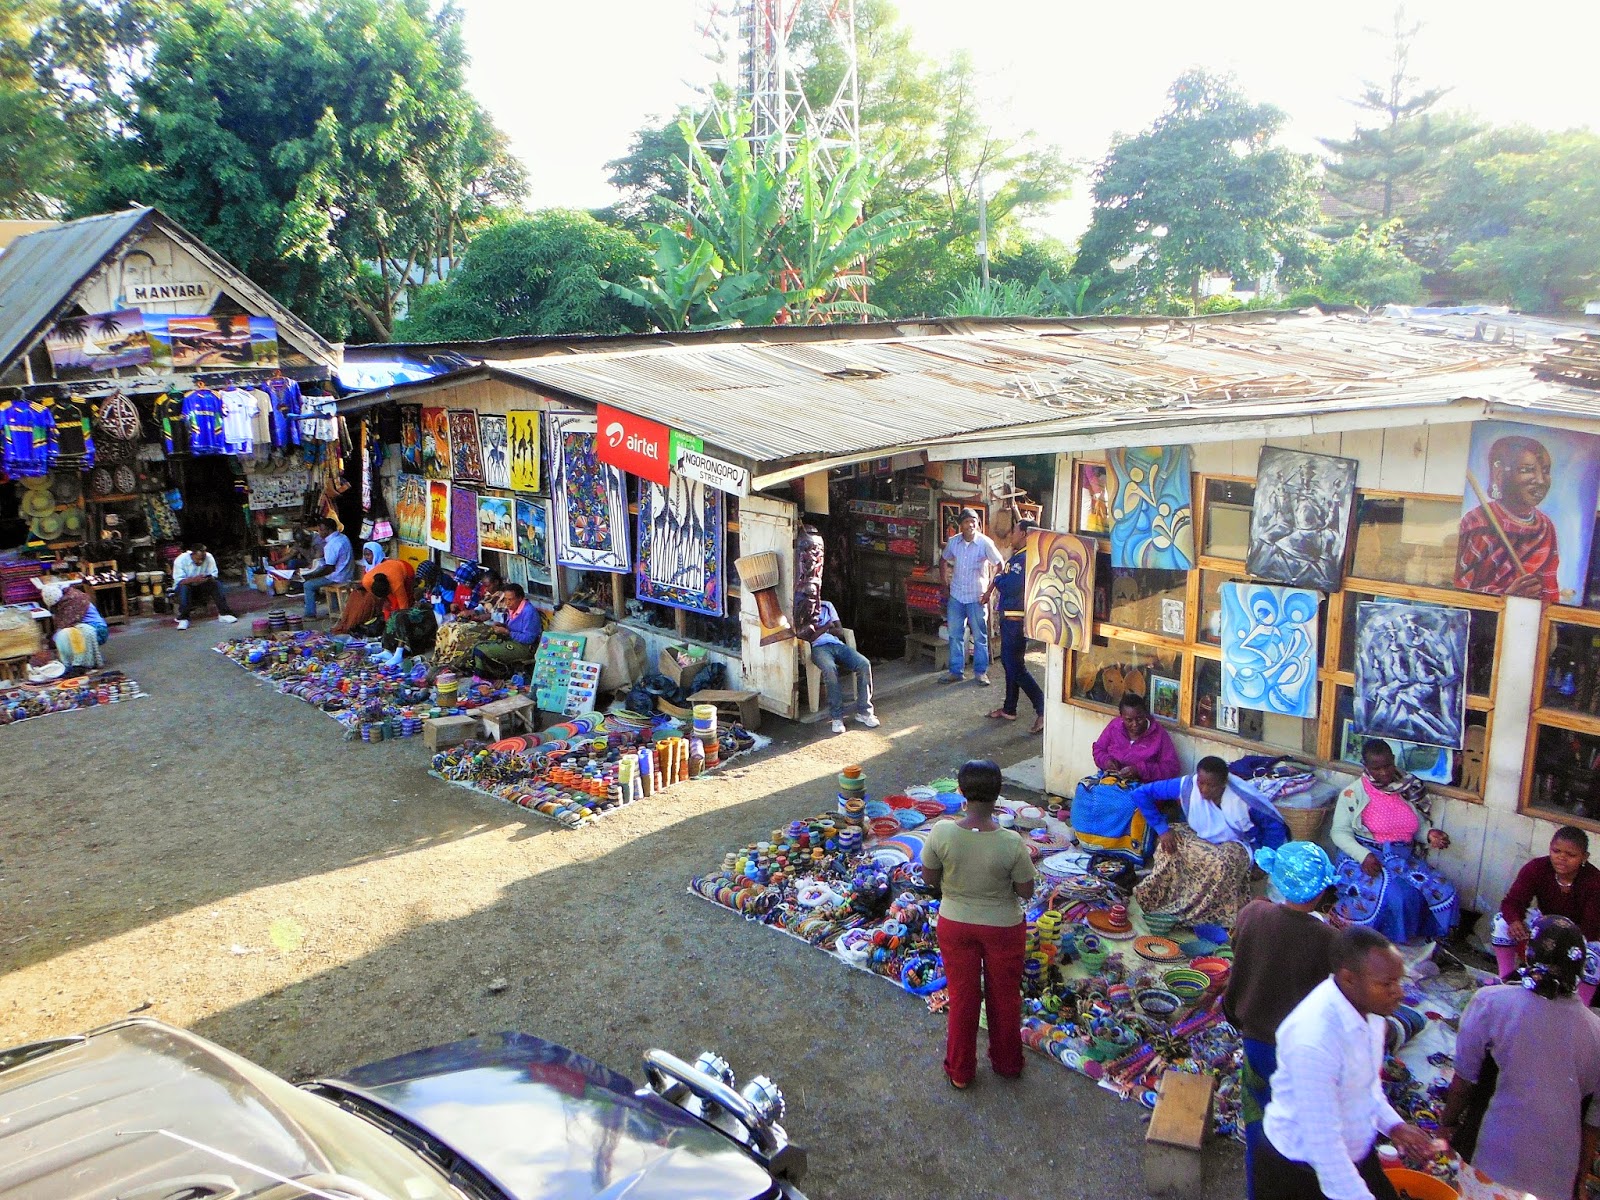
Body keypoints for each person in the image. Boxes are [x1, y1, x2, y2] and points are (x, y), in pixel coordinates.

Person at [1254, 927, 1441, 1200]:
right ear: (1349, 979)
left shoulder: (1372, 1015)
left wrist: (1393, 1125)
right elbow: (1324, 1146)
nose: (1398, 993)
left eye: (1399, 982)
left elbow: (1365, 1087)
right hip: (1301, 1171)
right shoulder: (1314, 1038)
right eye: (1387, 984)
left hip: (1354, 1155)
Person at [1440, 915, 1600, 1200]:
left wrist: (1447, 1124)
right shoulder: (1596, 1031)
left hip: (1489, 1161)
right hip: (1555, 1179)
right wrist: (1580, 1179)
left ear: (1529, 952)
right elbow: (1592, 1124)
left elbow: (1464, 1081)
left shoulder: (1490, 1003)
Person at [1226, 842, 1340, 1200]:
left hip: (1254, 1035)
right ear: (1322, 891)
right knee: (1300, 1127)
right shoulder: (1329, 939)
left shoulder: (1253, 913)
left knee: (1259, 1115)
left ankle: (1257, 1189)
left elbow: (1239, 951)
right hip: (1300, 1049)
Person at [920, 759, 1034, 1090]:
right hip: (1003, 927)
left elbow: (930, 878)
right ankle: (1008, 1064)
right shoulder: (1011, 842)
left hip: (955, 923)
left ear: (961, 792)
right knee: (1005, 997)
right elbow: (1026, 891)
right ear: (999, 795)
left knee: (963, 998)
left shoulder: (941, 831)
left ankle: (960, 1072)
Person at [1330, 739, 1457, 944]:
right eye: (1376, 768)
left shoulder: (1406, 787)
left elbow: (1416, 826)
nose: (1383, 772)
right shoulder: (1353, 794)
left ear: (1394, 760)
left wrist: (1429, 835)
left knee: (1443, 889)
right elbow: (1339, 832)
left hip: (1401, 857)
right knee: (1397, 895)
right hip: (1364, 857)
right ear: (1365, 766)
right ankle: (1387, 945)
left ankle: (1431, 940)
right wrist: (1364, 855)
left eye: (1387, 765)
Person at [1127, 755, 1258, 926]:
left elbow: (1272, 827)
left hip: (1237, 843)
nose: (1203, 789)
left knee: (1221, 863)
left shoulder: (1243, 798)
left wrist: (1262, 861)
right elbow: (1141, 793)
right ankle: (1165, 902)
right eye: (1201, 783)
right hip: (1199, 833)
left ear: (1223, 784)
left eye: (1210, 785)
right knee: (1169, 848)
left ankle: (1207, 917)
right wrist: (1162, 829)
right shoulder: (1188, 785)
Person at [1492, 825, 1600, 1000]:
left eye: (1571, 855)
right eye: (1556, 851)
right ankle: (1506, 980)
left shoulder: (1594, 881)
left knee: (1595, 954)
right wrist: (1515, 921)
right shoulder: (1537, 868)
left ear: (1584, 857)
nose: (1561, 858)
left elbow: (1591, 928)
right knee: (1501, 922)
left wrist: (1559, 942)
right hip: (1546, 925)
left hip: (1580, 936)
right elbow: (1512, 902)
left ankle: (1581, 1005)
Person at [1455, 434, 1559, 602]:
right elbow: (1461, 588)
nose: (1540, 480)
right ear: (1498, 473)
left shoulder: (1545, 526)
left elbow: (1549, 587)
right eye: (1527, 470)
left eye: (1545, 471)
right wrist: (1507, 595)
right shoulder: (1479, 523)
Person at [981, 519, 1044, 733]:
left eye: (1015, 531)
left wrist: (998, 579)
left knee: (1016, 668)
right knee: (1011, 666)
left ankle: (1043, 709)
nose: (1011, 534)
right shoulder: (1021, 556)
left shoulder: (1023, 558)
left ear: (1025, 533)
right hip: (1012, 619)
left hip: (1015, 620)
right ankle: (1010, 708)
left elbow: (1012, 586)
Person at [939, 508, 1004, 686]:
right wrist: (945, 583)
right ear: (961, 525)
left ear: (978, 524)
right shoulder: (954, 542)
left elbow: (1000, 565)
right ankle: (955, 671)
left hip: (977, 597)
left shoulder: (985, 543)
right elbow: (943, 560)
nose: (971, 525)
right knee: (955, 635)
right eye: (967, 522)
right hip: (957, 596)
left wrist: (990, 591)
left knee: (980, 636)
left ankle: (981, 672)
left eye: (973, 521)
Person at [805, 597, 878, 735]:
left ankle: (865, 712)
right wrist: (827, 626)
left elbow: (839, 631)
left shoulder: (827, 606)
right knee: (830, 669)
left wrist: (821, 630)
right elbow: (810, 637)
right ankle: (837, 717)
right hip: (818, 648)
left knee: (863, 664)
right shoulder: (804, 609)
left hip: (837, 644)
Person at [1093, 693, 1182, 782]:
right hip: (1113, 780)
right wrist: (1106, 761)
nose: (1135, 724)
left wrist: (1140, 770)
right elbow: (1098, 749)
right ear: (1122, 717)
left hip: (1143, 786)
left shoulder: (1158, 734)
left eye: (1139, 718)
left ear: (1145, 714)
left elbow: (1171, 767)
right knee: (1084, 789)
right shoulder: (1115, 726)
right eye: (1129, 720)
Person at [471, 583, 542, 677]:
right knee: (477, 644)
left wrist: (507, 632)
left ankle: (496, 676)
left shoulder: (528, 612)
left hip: (525, 647)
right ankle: (480, 677)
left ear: (520, 598)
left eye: (510, 599)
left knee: (482, 650)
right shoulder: (513, 608)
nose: (507, 603)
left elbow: (529, 638)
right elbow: (514, 627)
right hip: (512, 640)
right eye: (505, 599)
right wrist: (503, 626)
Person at [37, 580, 104, 674]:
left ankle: (81, 663)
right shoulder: (65, 599)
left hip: (98, 629)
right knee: (62, 635)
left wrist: (52, 642)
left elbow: (65, 626)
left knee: (64, 636)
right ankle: (76, 661)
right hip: (83, 626)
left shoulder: (72, 600)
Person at [172, 543, 238, 630]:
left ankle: (224, 613)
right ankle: (184, 618)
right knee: (185, 587)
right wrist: (194, 579)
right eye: (198, 559)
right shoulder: (180, 560)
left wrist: (207, 578)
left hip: (202, 586)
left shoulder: (209, 557)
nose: (201, 562)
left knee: (216, 584)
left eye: (202, 559)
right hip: (185, 586)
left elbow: (214, 574)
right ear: (192, 554)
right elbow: (179, 581)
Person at [299, 517, 355, 619]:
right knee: (325, 579)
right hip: (348, 573)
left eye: (321, 530)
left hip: (338, 576)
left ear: (328, 530)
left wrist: (313, 575)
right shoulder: (343, 537)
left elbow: (330, 569)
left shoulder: (331, 545)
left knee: (308, 585)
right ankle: (334, 608)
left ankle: (310, 614)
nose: (319, 532)